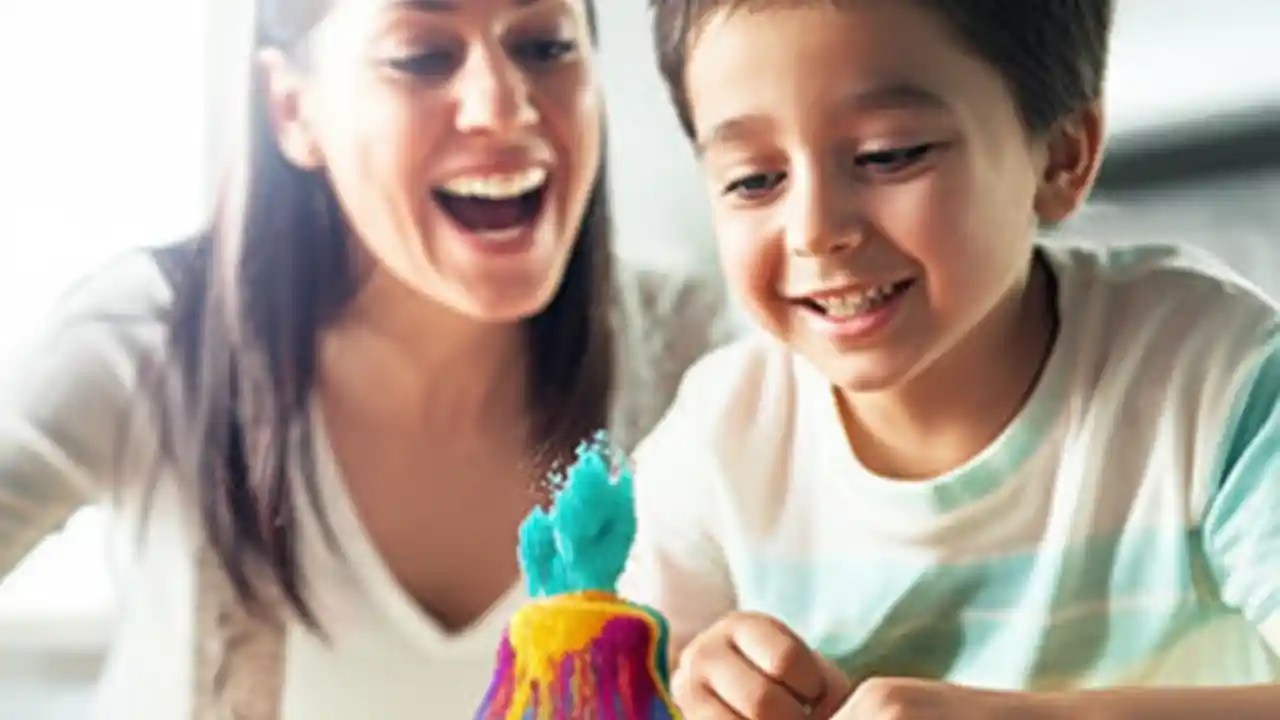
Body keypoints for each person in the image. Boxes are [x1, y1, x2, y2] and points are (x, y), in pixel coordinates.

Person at [0, 0, 732, 717]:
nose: (503, 108)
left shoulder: (704, 361)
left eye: (545, 45)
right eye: (421, 56)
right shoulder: (147, 340)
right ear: (292, 109)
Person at [620, 0, 1280, 718]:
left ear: (1061, 154)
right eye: (754, 180)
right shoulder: (717, 439)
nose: (814, 231)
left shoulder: (1216, 375)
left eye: (888, 155)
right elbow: (624, 683)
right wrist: (693, 681)